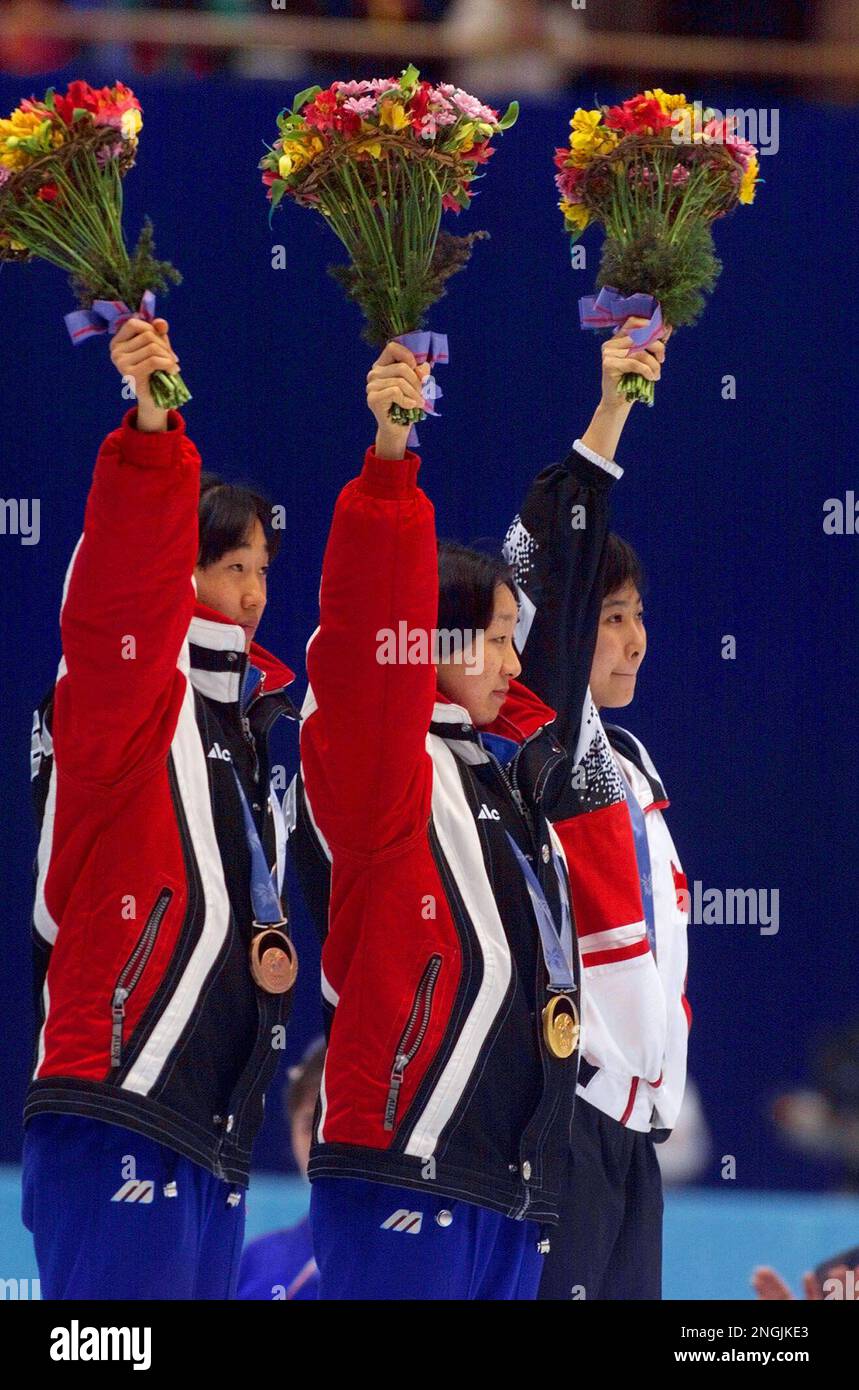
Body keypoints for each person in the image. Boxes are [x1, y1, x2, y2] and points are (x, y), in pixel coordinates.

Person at [287, 338, 651, 1300]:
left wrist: (608, 416)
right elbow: (368, 634)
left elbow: (555, 580)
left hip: (504, 1184)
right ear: (429, 643)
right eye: (489, 640)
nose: (507, 661)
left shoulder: (501, 776)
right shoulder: (384, 767)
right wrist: (390, 453)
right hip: (404, 1166)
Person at [22, 316, 299, 1300]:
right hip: (117, 1099)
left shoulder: (250, 725)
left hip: (211, 1124)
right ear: (180, 572)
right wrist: (152, 427)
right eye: (234, 567)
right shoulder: (128, 692)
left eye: (265, 569)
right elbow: (111, 599)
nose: (257, 592)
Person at [502, 320, 688, 1299]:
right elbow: (535, 570)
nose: (632, 640)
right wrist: (612, 407)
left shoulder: (636, 769)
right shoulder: (556, 742)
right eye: (610, 618)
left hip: (634, 1139)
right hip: (568, 1124)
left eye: (638, 616)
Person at [237, 1037, 325, 1300]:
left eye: (336, 1125)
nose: (322, 1140)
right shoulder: (257, 1258)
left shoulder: (413, 1256)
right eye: (310, 1122)